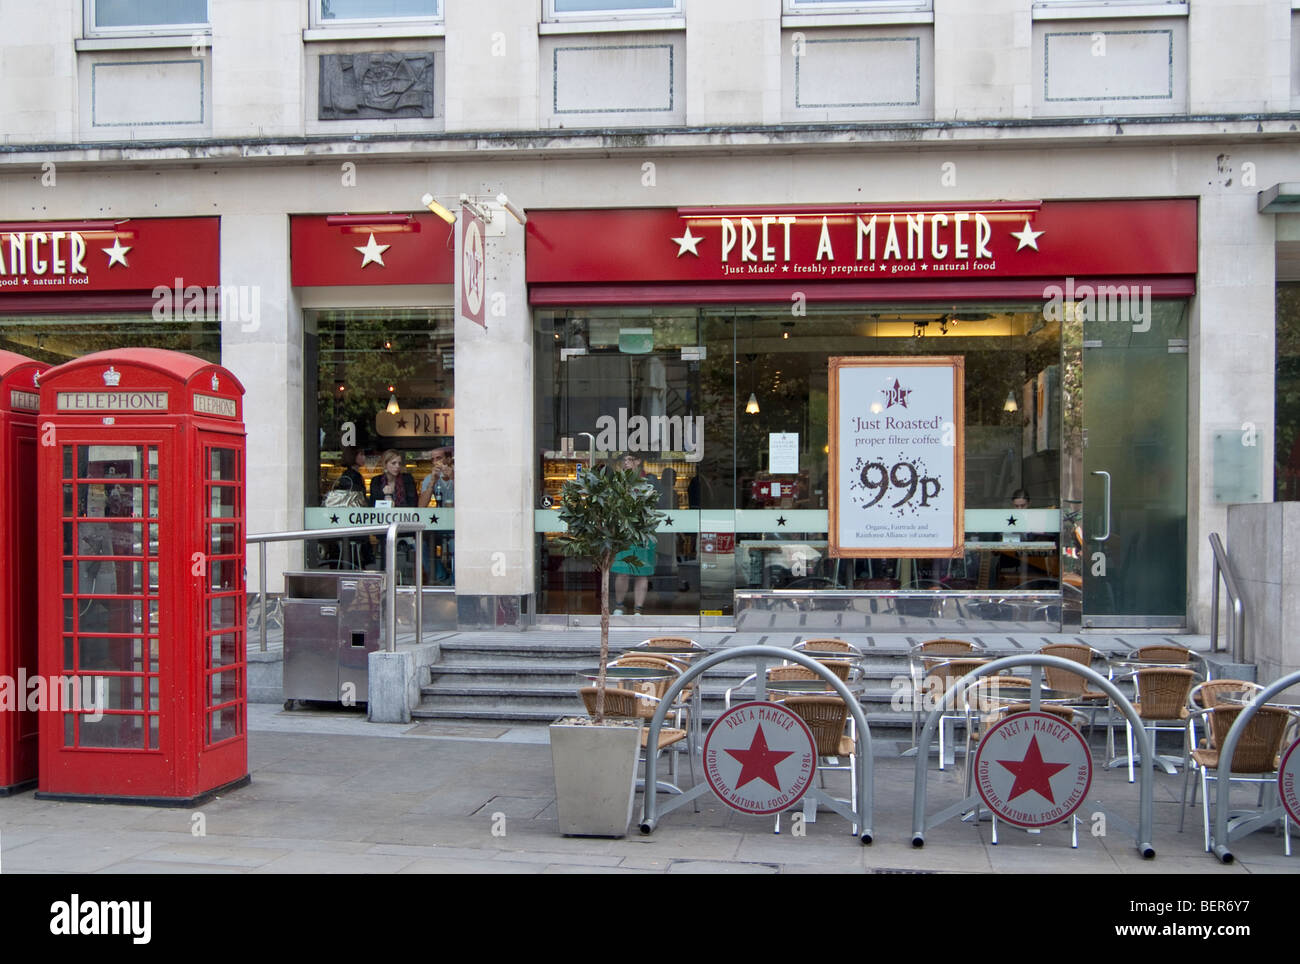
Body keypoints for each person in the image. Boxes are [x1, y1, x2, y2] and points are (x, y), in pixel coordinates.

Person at [610, 452, 657, 615]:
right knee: (622, 570)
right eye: (624, 460)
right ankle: (619, 605)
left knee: (641, 572)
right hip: (624, 530)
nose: (626, 463)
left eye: (629, 459)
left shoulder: (648, 482)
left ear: (638, 461)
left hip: (642, 530)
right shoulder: (618, 481)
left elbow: (651, 506)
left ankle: (638, 608)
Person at [370, 449, 417, 575]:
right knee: (385, 539)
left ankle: (403, 576)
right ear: (385, 465)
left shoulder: (407, 479)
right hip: (383, 526)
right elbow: (372, 505)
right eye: (393, 463)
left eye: (399, 463)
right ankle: (386, 574)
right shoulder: (376, 481)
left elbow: (413, 503)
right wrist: (384, 495)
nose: (397, 467)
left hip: (404, 524)